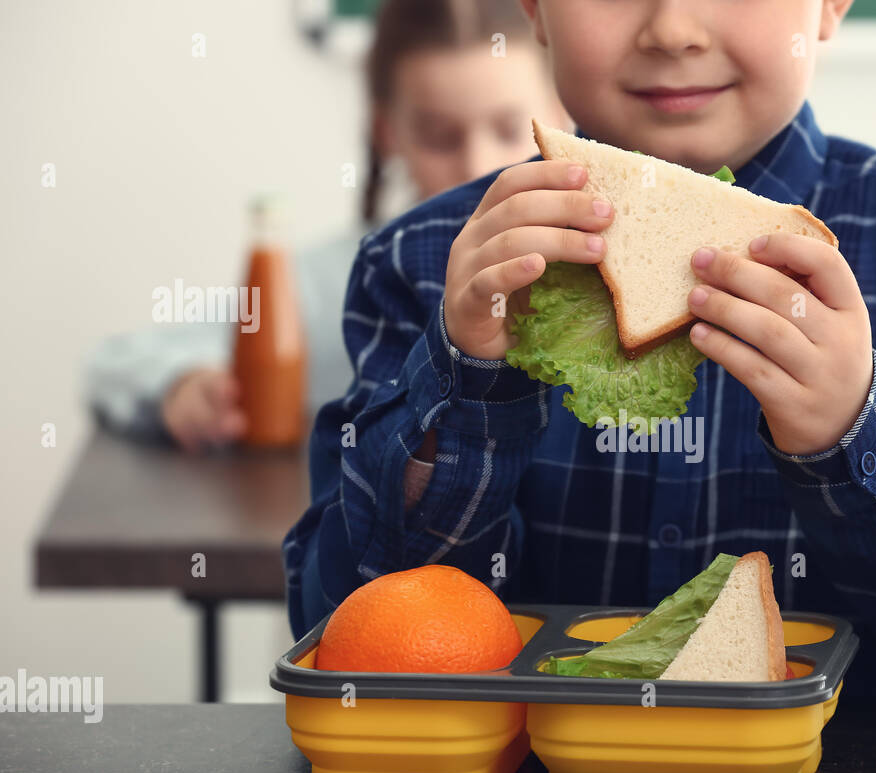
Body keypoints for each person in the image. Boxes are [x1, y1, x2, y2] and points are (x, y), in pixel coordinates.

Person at [284, 0, 876, 716]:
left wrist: (860, 434)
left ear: (831, 3)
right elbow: (341, 633)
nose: (672, 29)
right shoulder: (429, 260)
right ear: (533, 7)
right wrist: (466, 380)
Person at [84, 0, 567, 452]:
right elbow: (118, 361)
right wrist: (182, 386)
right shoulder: (329, 283)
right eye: (440, 138)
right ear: (387, 132)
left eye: (508, 131)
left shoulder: (602, 278)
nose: (476, 166)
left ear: (561, 113)